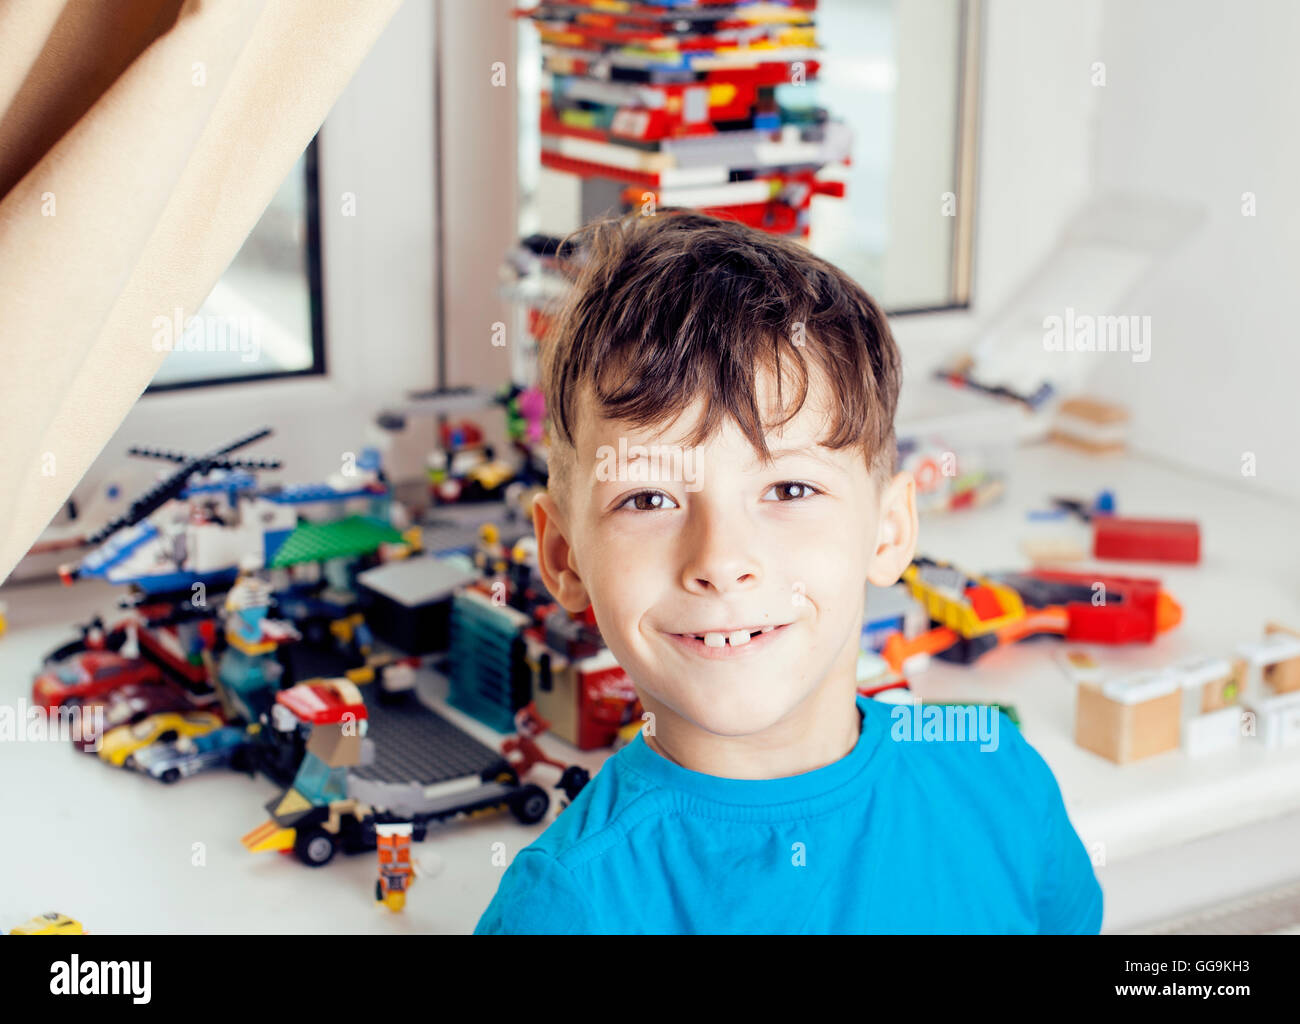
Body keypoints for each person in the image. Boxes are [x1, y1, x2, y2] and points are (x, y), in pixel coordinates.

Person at [475, 210, 1102, 934]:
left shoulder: (1003, 780)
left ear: (890, 530)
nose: (720, 561)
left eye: (789, 490)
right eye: (649, 498)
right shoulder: (563, 910)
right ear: (562, 556)